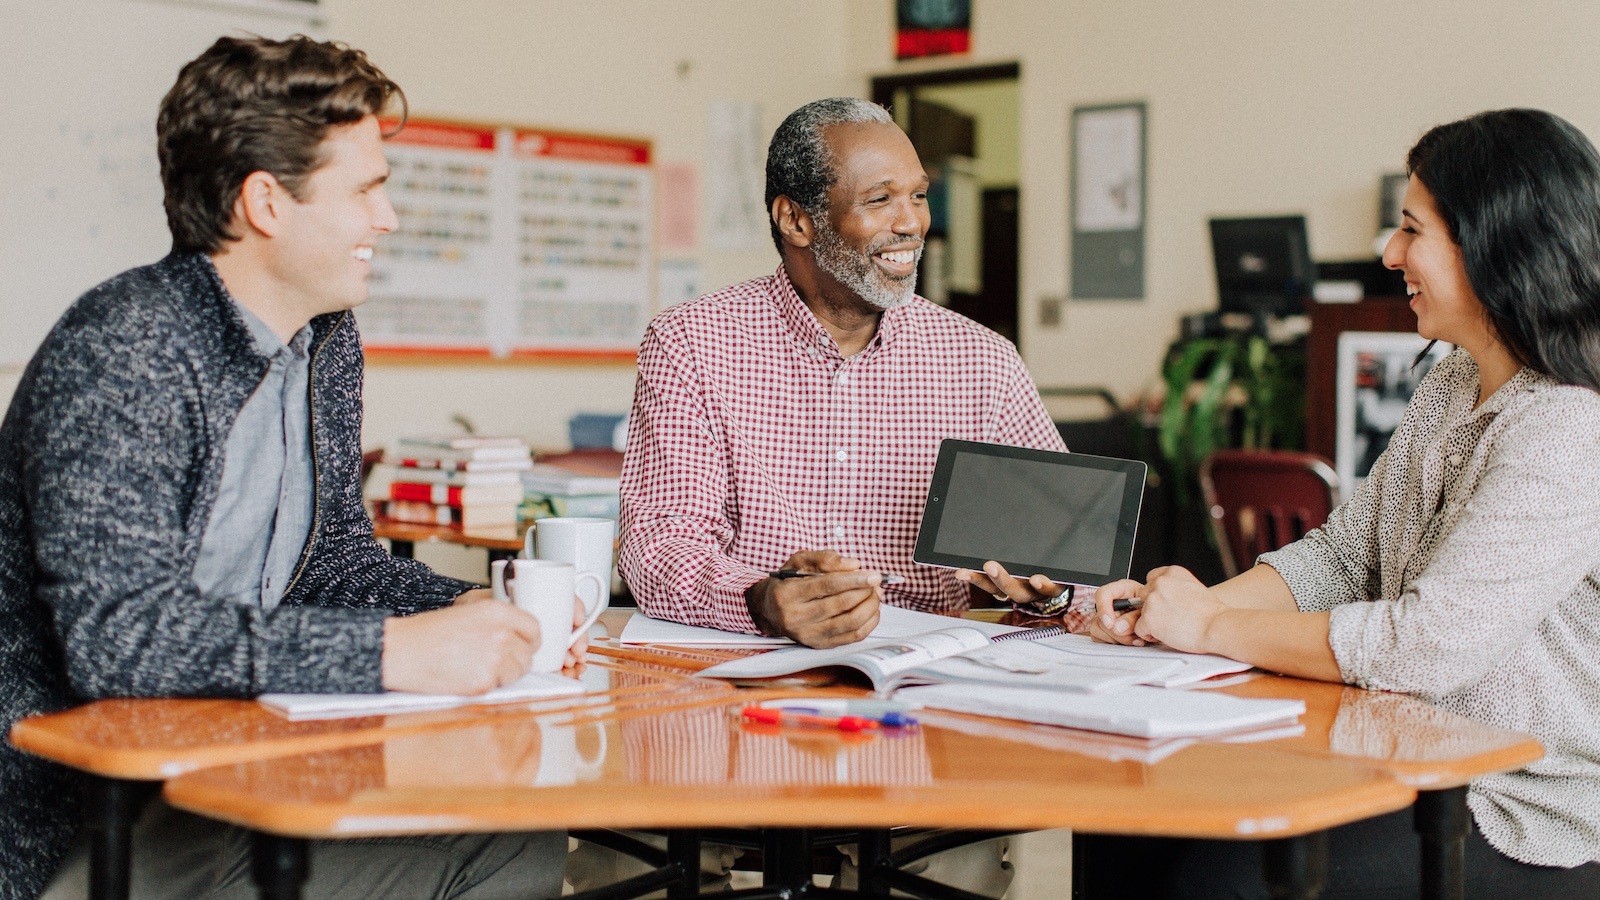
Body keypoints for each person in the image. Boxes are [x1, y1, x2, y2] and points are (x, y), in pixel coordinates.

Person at [0, 35, 577, 900]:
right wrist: (392, 651)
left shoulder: (324, 339)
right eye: (367, 189)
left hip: (230, 767)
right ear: (266, 202)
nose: (387, 218)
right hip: (79, 818)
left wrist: (476, 606)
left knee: (517, 842)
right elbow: (121, 640)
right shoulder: (126, 349)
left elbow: (334, 562)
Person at [1074, 108, 1600, 897]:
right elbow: (1343, 555)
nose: (1391, 254)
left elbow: (1428, 645)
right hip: (1398, 745)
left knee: (1225, 878)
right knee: (1125, 814)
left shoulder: (1569, 425)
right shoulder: (1454, 381)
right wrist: (1170, 618)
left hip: (1518, 801)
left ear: (1494, 244)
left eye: (1411, 230)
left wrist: (1211, 627)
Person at [617, 97, 1065, 651]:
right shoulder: (691, 343)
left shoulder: (984, 360)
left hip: (933, 686)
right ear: (796, 220)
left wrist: (1050, 590)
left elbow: (1067, 564)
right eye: (879, 200)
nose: (912, 224)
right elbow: (658, 546)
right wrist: (760, 600)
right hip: (752, 680)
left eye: (919, 196)